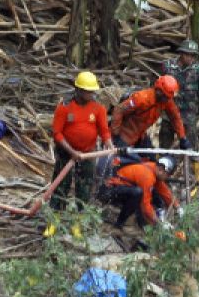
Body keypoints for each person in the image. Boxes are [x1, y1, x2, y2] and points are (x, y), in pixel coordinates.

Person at [50, 71, 110, 209]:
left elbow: (104, 130)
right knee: (61, 185)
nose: (91, 95)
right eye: (88, 92)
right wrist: (71, 152)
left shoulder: (98, 108)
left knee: (85, 188)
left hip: (87, 154)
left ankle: (78, 221)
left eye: (92, 92)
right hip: (65, 153)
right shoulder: (64, 107)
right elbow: (57, 134)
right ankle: (55, 218)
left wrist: (108, 142)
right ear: (78, 90)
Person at [165, 40, 199, 186]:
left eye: (193, 55)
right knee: (164, 146)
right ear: (181, 53)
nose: (190, 58)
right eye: (187, 55)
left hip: (188, 116)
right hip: (169, 114)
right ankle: (163, 178)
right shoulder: (168, 67)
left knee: (192, 149)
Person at [110, 75, 187, 152]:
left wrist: (182, 137)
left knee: (152, 159)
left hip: (140, 136)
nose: (168, 100)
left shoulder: (166, 101)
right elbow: (119, 110)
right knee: (127, 160)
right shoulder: (141, 98)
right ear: (159, 91)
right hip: (125, 135)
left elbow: (175, 117)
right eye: (166, 97)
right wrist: (116, 134)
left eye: (168, 98)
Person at [102, 156, 177, 229]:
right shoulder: (147, 177)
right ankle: (119, 223)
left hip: (120, 187)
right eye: (168, 175)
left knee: (145, 193)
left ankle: (140, 222)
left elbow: (163, 190)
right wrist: (159, 223)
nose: (167, 178)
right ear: (162, 171)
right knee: (138, 193)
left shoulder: (153, 167)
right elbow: (145, 205)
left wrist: (177, 206)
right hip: (109, 191)